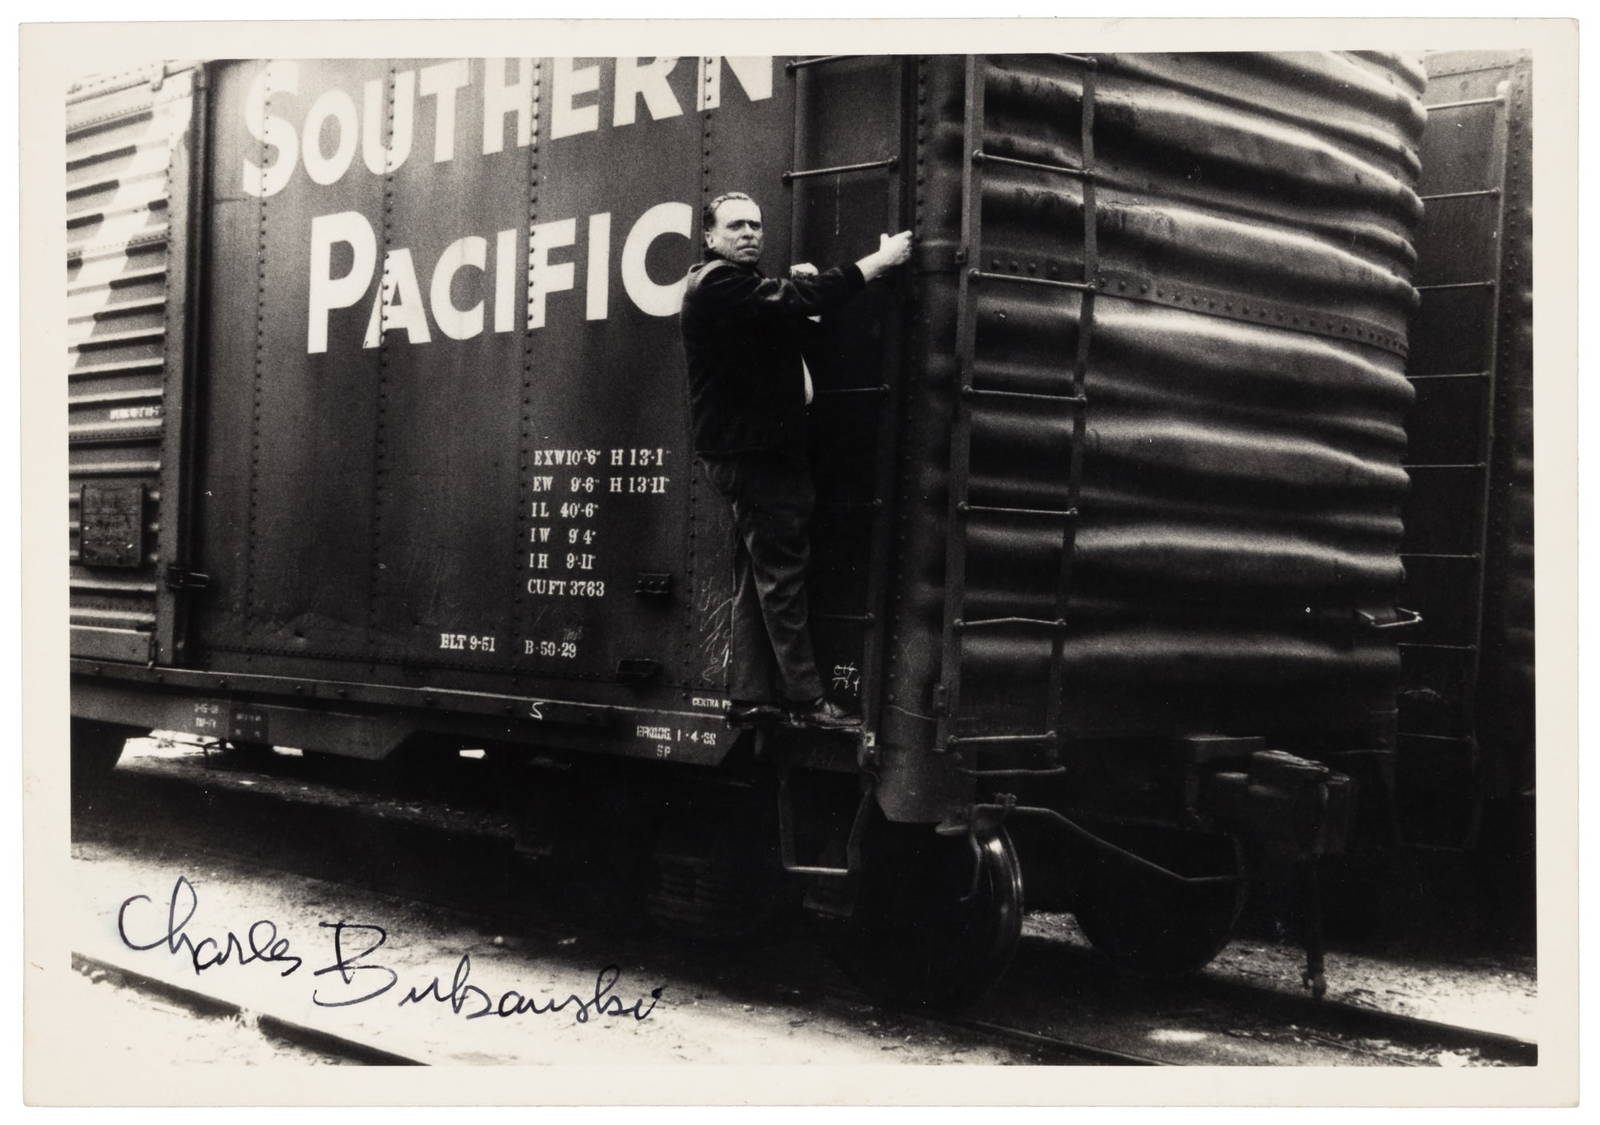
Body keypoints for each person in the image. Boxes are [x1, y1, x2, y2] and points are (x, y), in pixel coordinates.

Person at [680, 191, 912, 730]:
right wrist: (878, 263)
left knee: (760, 572)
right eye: (736, 226)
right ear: (709, 238)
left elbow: (785, 320)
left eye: (756, 225)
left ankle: (750, 697)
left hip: (751, 454)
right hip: (758, 456)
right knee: (782, 575)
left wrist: (801, 296)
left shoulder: (738, 289)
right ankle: (806, 700)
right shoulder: (717, 282)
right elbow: (792, 299)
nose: (749, 233)